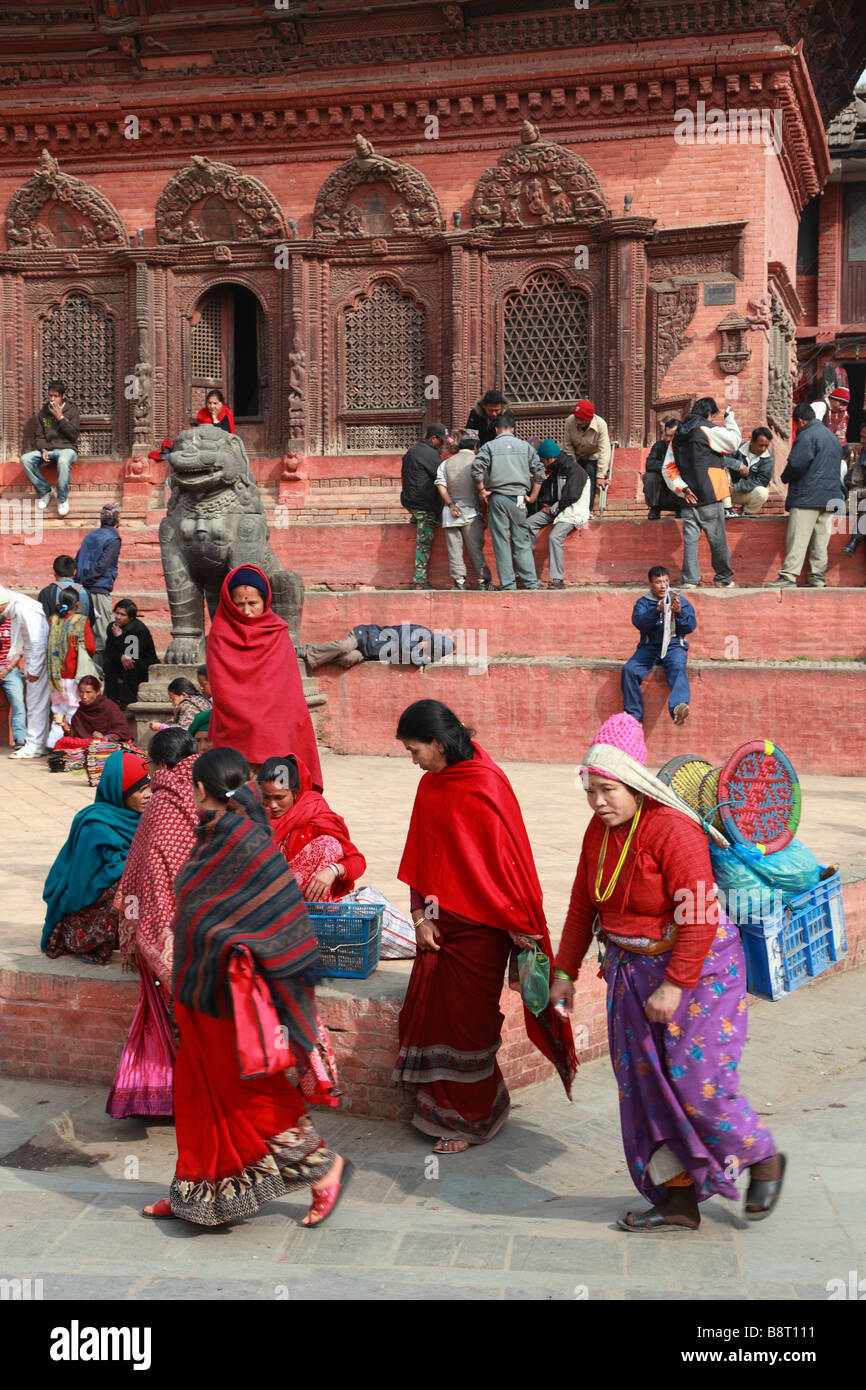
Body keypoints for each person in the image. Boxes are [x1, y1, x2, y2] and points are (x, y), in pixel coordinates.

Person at [548, 713, 786, 1232]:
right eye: (591, 791)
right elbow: (581, 905)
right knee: (644, 1089)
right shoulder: (599, 832)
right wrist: (564, 969)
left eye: (608, 790)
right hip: (630, 974)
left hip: (699, 971)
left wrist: (676, 984)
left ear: (634, 782)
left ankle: (760, 1156)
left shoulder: (671, 829)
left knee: (696, 1078)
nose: (598, 802)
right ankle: (677, 1199)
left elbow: (699, 912)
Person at [141, 748, 352, 1225]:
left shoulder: (244, 844)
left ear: (198, 790)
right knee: (196, 1096)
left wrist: (227, 941)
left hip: (228, 1002)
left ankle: (323, 1168)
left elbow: (281, 923)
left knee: (251, 1096)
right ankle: (195, 1192)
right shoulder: (215, 838)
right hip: (199, 995)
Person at [393, 699, 577, 1151]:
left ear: (437, 742)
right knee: (433, 1018)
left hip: (481, 933)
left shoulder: (485, 784)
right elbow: (422, 857)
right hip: (439, 928)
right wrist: (420, 917)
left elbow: (508, 867)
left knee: (468, 1025)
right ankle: (438, 1108)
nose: (413, 761)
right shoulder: (431, 786)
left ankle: (470, 1119)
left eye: (416, 750)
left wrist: (522, 931)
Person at [107, 728, 198, 1118]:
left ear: (160, 766)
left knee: (173, 1021)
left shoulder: (160, 807)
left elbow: (139, 876)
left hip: (165, 935)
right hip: (210, 936)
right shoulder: (209, 796)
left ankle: (167, 1094)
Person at [207, 563, 322, 784]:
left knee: (276, 795)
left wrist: (266, 724)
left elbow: (287, 690)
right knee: (239, 796)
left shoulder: (277, 632)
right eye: (238, 604)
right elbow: (222, 689)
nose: (246, 610)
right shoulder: (220, 634)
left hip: (275, 728)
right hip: (235, 729)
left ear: (265, 601)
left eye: (253, 603)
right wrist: (251, 722)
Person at [41, 748, 151, 963]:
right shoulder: (95, 826)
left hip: (113, 904)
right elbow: (81, 885)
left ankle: (136, 938)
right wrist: (130, 864)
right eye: (140, 790)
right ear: (120, 793)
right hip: (84, 909)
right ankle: (104, 941)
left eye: (149, 788)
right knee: (131, 880)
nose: (148, 795)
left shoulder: (144, 818)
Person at [258, 754, 366, 902]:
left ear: (296, 793)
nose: (272, 805)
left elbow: (356, 861)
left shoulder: (314, 813)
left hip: (307, 902)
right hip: (265, 899)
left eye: (279, 797)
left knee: (329, 844)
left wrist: (333, 870)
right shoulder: (251, 815)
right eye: (266, 797)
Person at [662, 397, 740, 589]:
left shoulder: (677, 436)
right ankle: (723, 578)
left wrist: (683, 489)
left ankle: (689, 580)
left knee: (690, 540)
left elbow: (668, 468)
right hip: (710, 494)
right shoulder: (707, 429)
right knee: (717, 540)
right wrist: (729, 420)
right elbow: (733, 443)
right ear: (709, 414)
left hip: (688, 497)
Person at [766, 403, 844, 589]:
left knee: (798, 539)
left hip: (808, 497)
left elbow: (797, 464)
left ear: (800, 421)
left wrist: (784, 477)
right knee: (820, 541)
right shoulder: (832, 438)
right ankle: (817, 579)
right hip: (830, 498)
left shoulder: (807, 435)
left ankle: (788, 577)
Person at [472, 409, 544, 591]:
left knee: (501, 542)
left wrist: (482, 491)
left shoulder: (489, 447)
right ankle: (531, 583)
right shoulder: (526, 447)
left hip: (498, 498)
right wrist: (532, 496)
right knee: (522, 541)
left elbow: (476, 469)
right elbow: (539, 473)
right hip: (519, 498)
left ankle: (508, 584)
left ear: (496, 429)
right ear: (513, 428)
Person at [621, 567, 696, 726]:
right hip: (649, 647)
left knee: (677, 667)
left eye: (665, 582)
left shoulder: (680, 601)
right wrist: (657, 610)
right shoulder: (643, 602)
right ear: (650, 584)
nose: (662, 586)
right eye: (658, 582)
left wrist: (680, 612)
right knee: (629, 670)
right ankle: (635, 717)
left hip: (674, 646)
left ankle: (678, 708)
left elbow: (690, 626)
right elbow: (640, 623)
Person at [526, 438, 591, 589]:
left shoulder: (575, 470)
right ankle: (527, 569)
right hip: (556, 509)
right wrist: (546, 503)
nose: (543, 464)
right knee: (528, 524)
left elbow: (571, 496)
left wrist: (553, 508)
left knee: (555, 537)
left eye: (544, 461)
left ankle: (557, 579)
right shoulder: (556, 469)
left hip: (572, 511)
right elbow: (549, 490)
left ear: (550, 458)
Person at [434, 430, 491, 591]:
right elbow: (483, 491)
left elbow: (441, 485)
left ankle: (459, 582)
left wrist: (451, 504)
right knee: (475, 549)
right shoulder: (478, 462)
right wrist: (485, 514)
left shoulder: (446, 463)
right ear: (475, 446)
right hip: (472, 512)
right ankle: (482, 581)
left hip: (450, 513)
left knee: (454, 550)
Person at [0, 584, 51, 759]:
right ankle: (37, 743)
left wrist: (35, 669)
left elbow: (37, 642)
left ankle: (34, 745)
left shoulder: (25, 610)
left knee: (36, 704)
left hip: (37, 661)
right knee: (34, 704)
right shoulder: (15, 607)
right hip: (32, 659)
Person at [19, 379, 80, 518]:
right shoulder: (44, 412)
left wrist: (61, 418)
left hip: (67, 449)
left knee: (64, 461)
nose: (52, 399)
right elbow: (39, 436)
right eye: (50, 396)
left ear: (63, 396)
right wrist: (44, 450)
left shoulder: (72, 410)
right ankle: (45, 491)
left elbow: (74, 436)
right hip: (49, 450)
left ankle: (62, 499)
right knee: (25, 459)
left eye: (55, 396)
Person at [46, 588, 98, 748]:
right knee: (73, 712)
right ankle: (68, 745)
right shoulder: (81, 621)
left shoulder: (52, 620)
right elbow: (90, 647)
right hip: (73, 673)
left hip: (54, 676)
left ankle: (53, 743)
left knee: (58, 712)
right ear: (77, 604)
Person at [400, 422, 447, 590]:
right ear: (434, 438)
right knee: (424, 541)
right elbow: (442, 476)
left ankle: (416, 519)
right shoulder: (431, 454)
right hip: (424, 505)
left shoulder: (412, 451)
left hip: (409, 501)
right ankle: (419, 581)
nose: (442, 445)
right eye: (441, 441)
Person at [75, 504, 122, 666]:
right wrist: (89, 580)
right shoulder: (113, 538)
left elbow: (78, 558)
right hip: (97, 588)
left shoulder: (90, 536)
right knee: (102, 634)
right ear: (117, 521)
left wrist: (81, 582)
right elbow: (103, 564)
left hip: (80, 588)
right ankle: (98, 677)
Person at [303, 622, 456, 671]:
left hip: (368, 654)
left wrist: (419, 656)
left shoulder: (424, 652)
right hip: (364, 636)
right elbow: (403, 649)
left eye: (429, 645)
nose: (425, 643)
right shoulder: (416, 631)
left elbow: (416, 662)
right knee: (344, 646)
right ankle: (306, 652)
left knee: (349, 658)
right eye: (429, 640)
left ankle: (321, 652)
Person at [103, 598, 158, 708]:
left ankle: (130, 701)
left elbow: (133, 654)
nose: (118, 617)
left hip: (143, 663)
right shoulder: (112, 627)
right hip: (123, 660)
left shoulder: (138, 629)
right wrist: (120, 657)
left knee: (130, 665)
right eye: (117, 613)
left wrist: (119, 638)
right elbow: (109, 651)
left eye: (123, 615)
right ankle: (112, 702)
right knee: (108, 665)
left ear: (131, 618)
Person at [564, 398, 612, 513]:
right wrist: (573, 464)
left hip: (593, 456)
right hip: (577, 455)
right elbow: (567, 445)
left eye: (581, 419)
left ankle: (587, 510)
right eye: (577, 418)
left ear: (588, 419)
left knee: (589, 474)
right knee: (573, 474)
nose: (578, 422)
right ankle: (571, 508)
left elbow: (604, 449)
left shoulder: (600, 425)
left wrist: (601, 474)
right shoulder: (570, 421)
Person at [730, 427, 773, 517]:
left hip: (742, 492)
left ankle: (747, 513)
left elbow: (762, 481)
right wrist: (737, 465)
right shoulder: (737, 448)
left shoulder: (768, 458)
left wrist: (736, 488)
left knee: (763, 492)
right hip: (725, 491)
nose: (763, 449)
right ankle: (726, 509)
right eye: (760, 445)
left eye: (766, 446)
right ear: (752, 441)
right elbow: (721, 460)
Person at [643, 419, 682, 519]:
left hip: (678, 490)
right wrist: (668, 467)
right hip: (661, 490)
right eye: (666, 435)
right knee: (649, 476)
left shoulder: (684, 447)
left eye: (671, 436)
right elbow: (649, 464)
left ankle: (681, 508)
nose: (668, 439)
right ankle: (655, 508)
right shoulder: (658, 446)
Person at [0, 613, 27, 749]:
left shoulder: (12, 623)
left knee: (18, 701)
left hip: (9, 668)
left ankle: (20, 737)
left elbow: (18, 652)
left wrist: (7, 668)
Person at [37, 555, 91, 622]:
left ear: (54, 573)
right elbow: (91, 619)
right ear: (74, 572)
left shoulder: (46, 592)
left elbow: (42, 620)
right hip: (81, 631)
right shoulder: (86, 592)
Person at [842, 427, 866, 563]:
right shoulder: (863, 456)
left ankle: (854, 542)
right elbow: (854, 484)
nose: (862, 441)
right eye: (861, 437)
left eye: (865, 438)